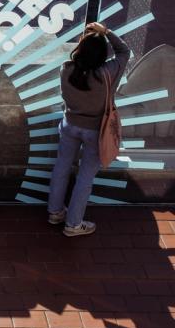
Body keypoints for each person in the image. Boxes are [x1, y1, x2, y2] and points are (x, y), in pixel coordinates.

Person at [47, 21, 130, 237]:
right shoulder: (108, 73)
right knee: (85, 178)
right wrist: (107, 32)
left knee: (61, 167)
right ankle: (73, 224)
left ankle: (55, 212)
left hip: (70, 125)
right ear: (102, 55)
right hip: (96, 131)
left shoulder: (66, 69)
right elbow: (124, 51)